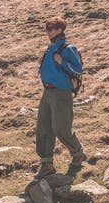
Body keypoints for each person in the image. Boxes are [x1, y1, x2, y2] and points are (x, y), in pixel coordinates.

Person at [35, 15, 86, 179]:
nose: (48, 32)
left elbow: (78, 69)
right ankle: (46, 164)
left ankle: (78, 154)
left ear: (59, 30)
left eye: (50, 29)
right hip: (47, 92)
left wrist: (62, 62)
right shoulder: (50, 48)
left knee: (60, 128)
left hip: (61, 93)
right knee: (44, 127)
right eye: (46, 29)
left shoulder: (68, 48)